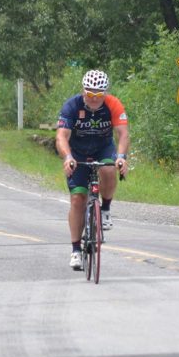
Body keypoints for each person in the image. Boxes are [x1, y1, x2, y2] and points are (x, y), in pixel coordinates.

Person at [55, 69, 129, 271]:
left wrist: (121, 158)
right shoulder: (72, 106)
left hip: (103, 148)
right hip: (78, 152)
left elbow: (123, 134)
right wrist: (68, 157)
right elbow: (61, 136)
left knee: (108, 168)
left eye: (99, 94)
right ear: (83, 91)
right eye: (90, 93)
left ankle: (105, 210)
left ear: (106, 93)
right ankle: (76, 250)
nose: (94, 98)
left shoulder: (113, 104)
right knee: (77, 199)